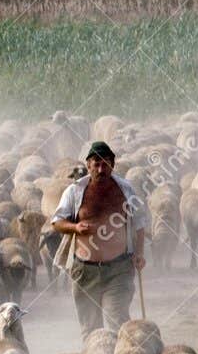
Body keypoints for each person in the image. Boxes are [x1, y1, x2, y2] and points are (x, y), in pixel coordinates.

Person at [50, 141, 147, 340]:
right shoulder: (75, 191)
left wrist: (140, 253)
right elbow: (57, 222)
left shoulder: (126, 190)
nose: (101, 169)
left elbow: (139, 224)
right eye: (97, 164)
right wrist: (75, 227)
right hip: (84, 271)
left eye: (106, 164)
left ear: (112, 165)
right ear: (88, 165)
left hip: (119, 269)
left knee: (118, 322)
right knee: (91, 331)